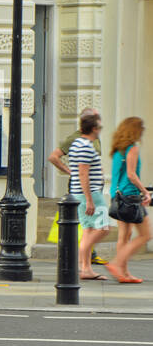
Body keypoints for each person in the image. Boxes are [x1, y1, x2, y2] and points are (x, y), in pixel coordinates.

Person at [50, 106, 107, 265]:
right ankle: (77, 255)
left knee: (90, 224)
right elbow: (54, 157)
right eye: (96, 119)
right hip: (83, 188)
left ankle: (88, 256)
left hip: (94, 186)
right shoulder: (75, 138)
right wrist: (70, 172)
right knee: (85, 223)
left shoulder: (95, 138)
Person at [106, 117, 151, 283]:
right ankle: (117, 264)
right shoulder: (132, 148)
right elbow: (132, 175)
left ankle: (123, 273)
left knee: (124, 235)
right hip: (130, 196)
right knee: (146, 235)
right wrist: (145, 191)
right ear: (135, 130)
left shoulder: (119, 149)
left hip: (117, 195)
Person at [66, 114, 109, 280]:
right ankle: (81, 260)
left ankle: (86, 268)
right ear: (93, 129)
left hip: (84, 193)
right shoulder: (85, 146)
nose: (100, 131)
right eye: (99, 128)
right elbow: (83, 174)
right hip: (90, 194)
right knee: (104, 228)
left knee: (88, 230)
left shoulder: (77, 143)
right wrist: (90, 199)